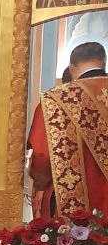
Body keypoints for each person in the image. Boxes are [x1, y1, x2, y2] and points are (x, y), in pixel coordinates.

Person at [28, 41, 108, 217]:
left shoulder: (55, 100)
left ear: (72, 67)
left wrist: (40, 184)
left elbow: (41, 155)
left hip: (79, 208)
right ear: (104, 61)